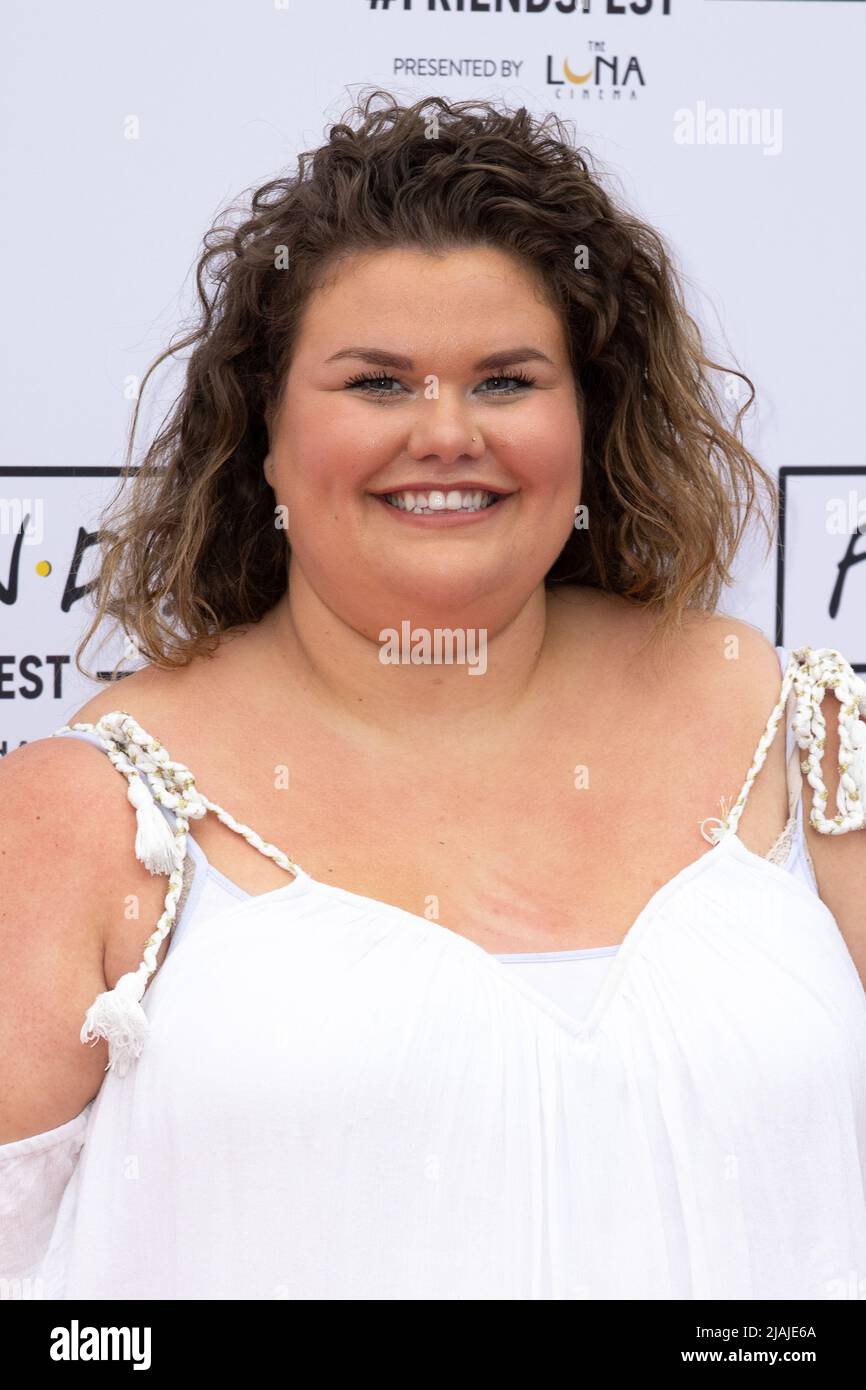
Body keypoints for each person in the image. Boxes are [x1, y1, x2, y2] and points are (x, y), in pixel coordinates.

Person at [1, 89, 865, 1301]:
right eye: (377, 383)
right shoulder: (79, 818)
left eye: (506, 380)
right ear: (264, 431)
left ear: (587, 416)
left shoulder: (798, 736)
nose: (445, 431)